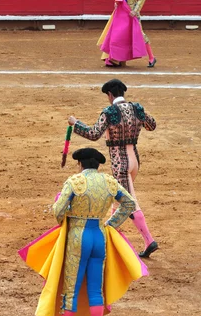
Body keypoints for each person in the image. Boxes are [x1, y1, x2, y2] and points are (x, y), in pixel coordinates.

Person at [20, 148, 141, 316]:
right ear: (98, 165)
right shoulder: (110, 182)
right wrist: (111, 224)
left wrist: (65, 217)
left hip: (78, 237)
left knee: (71, 289)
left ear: (80, 164)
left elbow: (58, 211)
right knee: (95, 290)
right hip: (99, 236)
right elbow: (128, 203)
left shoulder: (75, 182)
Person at [68, 79, 158, 258]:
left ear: (110, 95)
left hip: (120, 163)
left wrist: (76, 123)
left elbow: (93, 134)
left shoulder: (109, 112)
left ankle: (149, 240)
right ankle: (110, 238)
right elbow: (152, 125)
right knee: (118, 199)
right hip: (135, 161)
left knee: (129, 202)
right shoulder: (137, 109)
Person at [104, 0, 156, 68]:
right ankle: (119, 59)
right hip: (122, 8)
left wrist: (135, 10)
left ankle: (152, 57)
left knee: (139, 34)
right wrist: (116, 0)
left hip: (132, 8)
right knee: (120, 33)